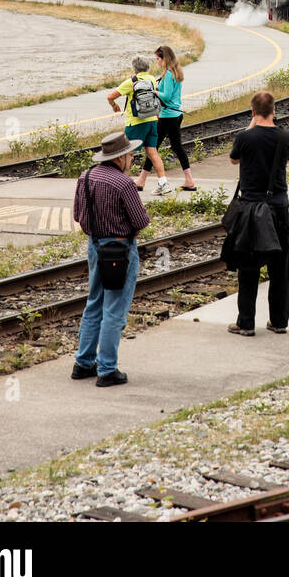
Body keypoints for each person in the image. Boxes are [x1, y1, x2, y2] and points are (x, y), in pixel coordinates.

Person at [71, 130, 150, 386]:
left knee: (94, 303)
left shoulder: (85, 177)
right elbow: (141, 221)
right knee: (114, 310)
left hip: (94, 247)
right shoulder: (124, 184)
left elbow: (77, 215)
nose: (132, 159)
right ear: (120, 158)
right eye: (130, 155)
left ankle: (83, 363)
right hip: (120, 251)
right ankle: (107, 370)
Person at [226, 90, 289, 336]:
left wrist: (250, 126)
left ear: (253, 112)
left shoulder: (245, 137)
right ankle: (279, 321)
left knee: (248, 265)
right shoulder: (286, 137)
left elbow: (234, 161)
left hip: (251, 209)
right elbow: (285, 162)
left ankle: (246, 323)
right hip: (277, 206)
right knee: (279, 266)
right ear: (274, 110)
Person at [108, 56, 170, 196]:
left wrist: (114, 106)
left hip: (135, 123)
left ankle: (121, 184)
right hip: (152, 120)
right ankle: (163, 183)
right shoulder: (152, 79)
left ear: (134, 68)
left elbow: (110, 96)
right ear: (147, 67)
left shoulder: (130, 82)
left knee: (126, 153)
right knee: (152, 152)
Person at [152, 44, 196, 190]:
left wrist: (155, 92)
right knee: (176, 147)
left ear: (164, 59)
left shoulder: (168, 74)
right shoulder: (176, 71)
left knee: (153, 147)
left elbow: (166, 96)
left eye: (158, 58)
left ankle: (142, 180)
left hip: (168, 116)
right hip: (176, 114)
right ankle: (189, 180)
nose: (157, 61)